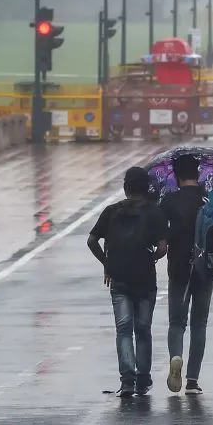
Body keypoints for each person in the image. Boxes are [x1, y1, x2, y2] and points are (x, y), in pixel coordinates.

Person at [87, 167, 170, 397]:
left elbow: (92, 240)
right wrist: (151, 258)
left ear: (126, 188)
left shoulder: (111, 212)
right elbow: (163, 247)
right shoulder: (155, 212)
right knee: (143, 329)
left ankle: (127, 381)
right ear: (147, 188)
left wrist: (107, 263)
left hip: (119, 279)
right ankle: (143, 379)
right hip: (145, 280)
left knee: (123, 329)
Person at [158, 155, 213, 396]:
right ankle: (193, 381)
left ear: (176, 175)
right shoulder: (209, 199)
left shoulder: (168, 201)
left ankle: (176, 357)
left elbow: (162, 238)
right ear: (198, 172)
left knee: (177, 322)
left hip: (179, 267)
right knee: (199, 323)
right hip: (206, 268)